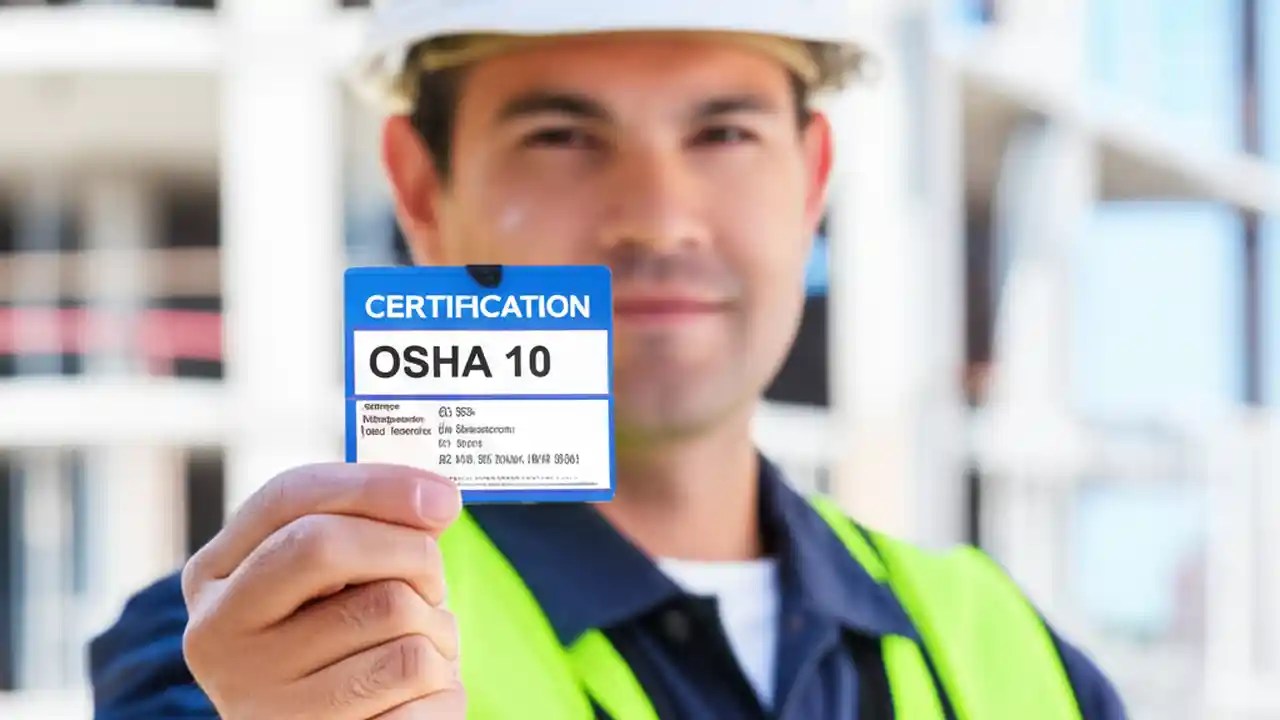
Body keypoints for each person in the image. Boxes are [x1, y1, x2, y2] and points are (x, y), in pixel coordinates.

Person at [89, 1, 1128, 718]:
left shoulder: (1011, 653)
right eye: (561, 136)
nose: (658, 220)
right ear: (418, 189)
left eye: (721, 133)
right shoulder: (250, 640)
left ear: (810, 178)